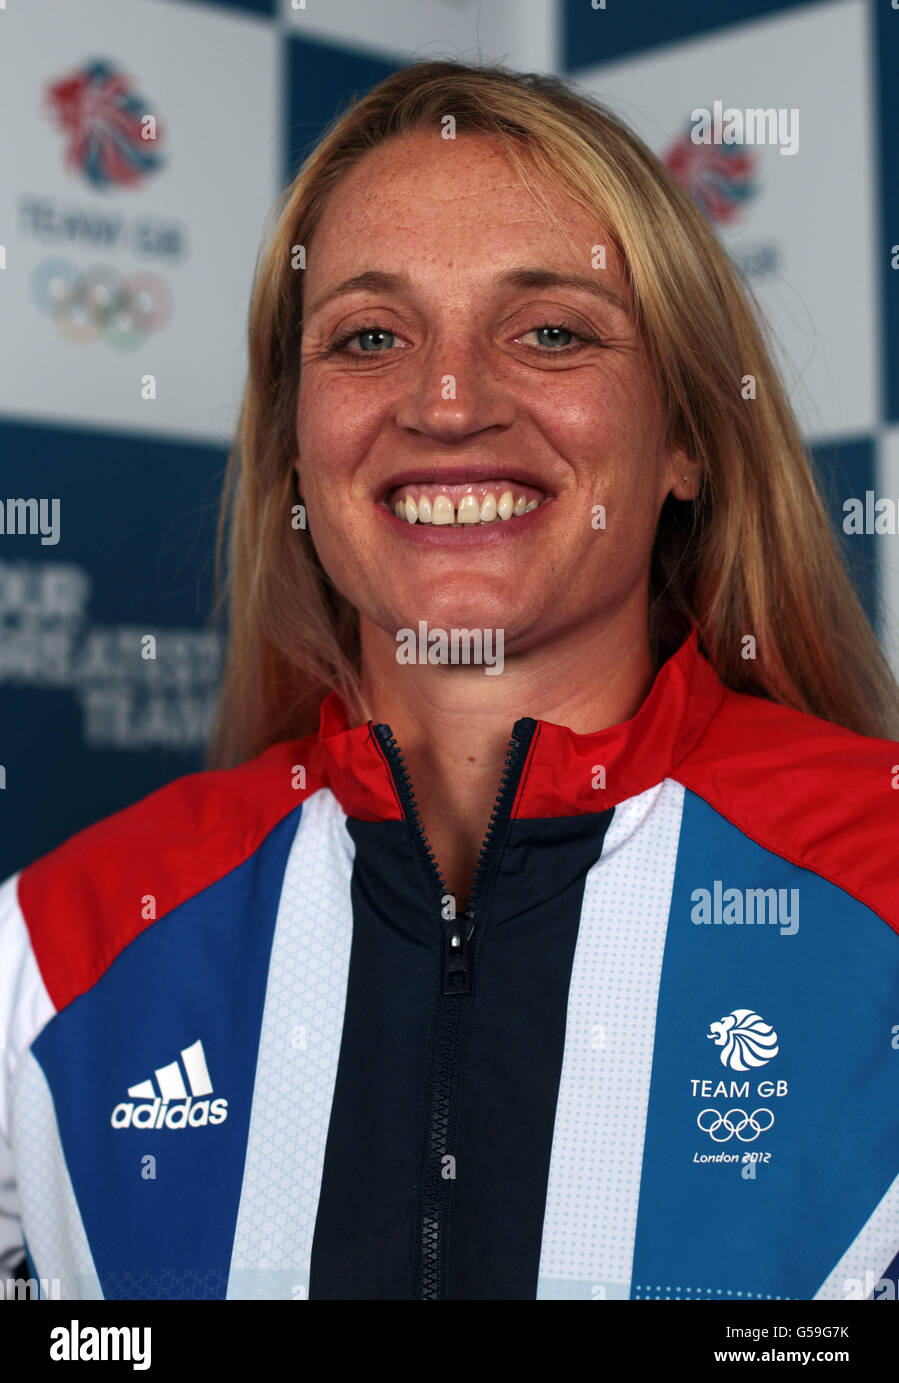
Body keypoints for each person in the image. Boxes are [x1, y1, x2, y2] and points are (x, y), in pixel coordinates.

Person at [2, 59, 899, 1302]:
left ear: (686, 437)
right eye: (369, 337)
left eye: (549, 332)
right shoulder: (54, 951)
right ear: (295, 456)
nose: (446, 401)